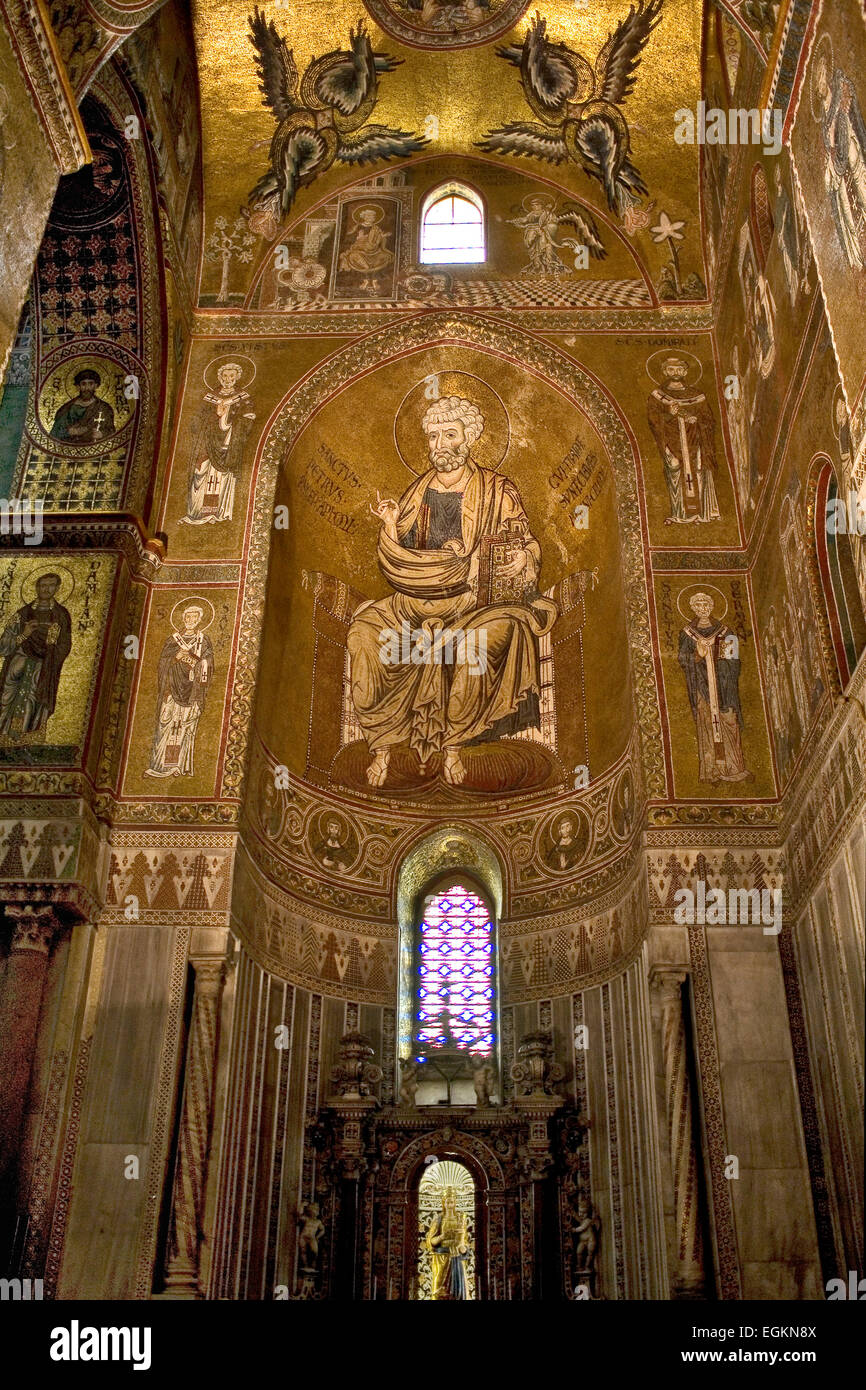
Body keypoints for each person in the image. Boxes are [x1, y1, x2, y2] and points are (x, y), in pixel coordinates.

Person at [348, 395, 555, 787]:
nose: (440, 445)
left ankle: (454, 745)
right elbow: (398, 556)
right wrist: (391, 524)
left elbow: (526, 542)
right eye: (433, 437)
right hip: (413, 600)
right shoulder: (417, 491)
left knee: (477, 645)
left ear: (469, 438)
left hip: (473, 603)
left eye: (449, 434)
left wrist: (520, 560)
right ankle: (381, 748)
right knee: (364, 636)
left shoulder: (498, 490)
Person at [678, 592, 751, 784]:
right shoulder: (687, 634)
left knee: (729, 720)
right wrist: (698, 655)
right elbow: (683, 659)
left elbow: (733, 660)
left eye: (706, 604)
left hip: (724, 688)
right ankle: (710, 771)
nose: (702, 608)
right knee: (706, 722)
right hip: (702, 687)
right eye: (698, 605)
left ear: (711, 607)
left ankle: (734, 768)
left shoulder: (725, 631)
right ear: (693, 608)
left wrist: (720, 658)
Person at [647, 357, 720, 524]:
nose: (675, 372)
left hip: (695, 442)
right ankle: (678, 513)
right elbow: (653, 419)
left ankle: (702, 514)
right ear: (665, 371)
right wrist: (669, 414)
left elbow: (709, 419)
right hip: (672, 442)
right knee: (675, 470)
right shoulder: (658, 396)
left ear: (685, 371)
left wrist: (697, 421)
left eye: (679, 369)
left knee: (699, 471)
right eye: (671, 369)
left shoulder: (697, 395)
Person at [0, 573, 72, 741]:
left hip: (43, 665)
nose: (46, 589)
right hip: (18, 661)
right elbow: (3, 645)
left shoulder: (61, 615)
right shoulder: (22, 614)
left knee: (33, 699)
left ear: (57, 588)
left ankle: (24, 740)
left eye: (50, 585)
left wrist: (52, 644)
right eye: (42, 585)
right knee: (6, 697)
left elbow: (65, 644)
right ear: (36, 587)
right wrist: (23, 635)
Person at [180, 363, 255, 525]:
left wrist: (232, 423)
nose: (228, 380)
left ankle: (219, 512)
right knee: (201, 471)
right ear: (220, 377)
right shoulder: (209, 397)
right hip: (207, 441)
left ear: (237, 378)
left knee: (220, 477)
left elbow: (248, 420)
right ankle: (197, 512)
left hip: (229, 443)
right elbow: (196, 422)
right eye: (225, 376)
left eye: (232, 376)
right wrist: (216, 414)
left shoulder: (243, 398)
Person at [144, 604, 214, 777]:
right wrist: (176, 657)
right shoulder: (173, 640)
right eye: (187, 617)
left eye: (194, 617)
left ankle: (178, 765)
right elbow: (162, 663)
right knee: (166, 724)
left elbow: (208, 664)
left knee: (183, 727)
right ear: (183, 619)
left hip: (191, 692)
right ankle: (160, 765)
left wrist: (198, 663)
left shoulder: (203, 641)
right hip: (171, 690)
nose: (190, 620)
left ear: (199, 620)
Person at [425, 1186, 470, 1300]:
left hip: (456, 1258)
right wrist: (442, 1237)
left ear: (455, 1203)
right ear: (443, 1203)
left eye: (452, 1202)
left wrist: (461, 1246)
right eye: (447, 1202)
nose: (450, 1205)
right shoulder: (439, 1219)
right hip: (441, 1258)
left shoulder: (460, 1219)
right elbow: (431, 1242)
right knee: (439, 1289)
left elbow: (464, 1244)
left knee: (457, 1291)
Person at [50, 369, 115, 442]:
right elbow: (55, 433)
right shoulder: (67, 408)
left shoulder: (104, 408)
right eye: (83, 384)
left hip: (95, 447)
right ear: (78, 387)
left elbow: (112, 431)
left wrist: (102, 434)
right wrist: (69, 432)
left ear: (96, 386)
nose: (87, 388)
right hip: (69, 448)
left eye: (90, 384)